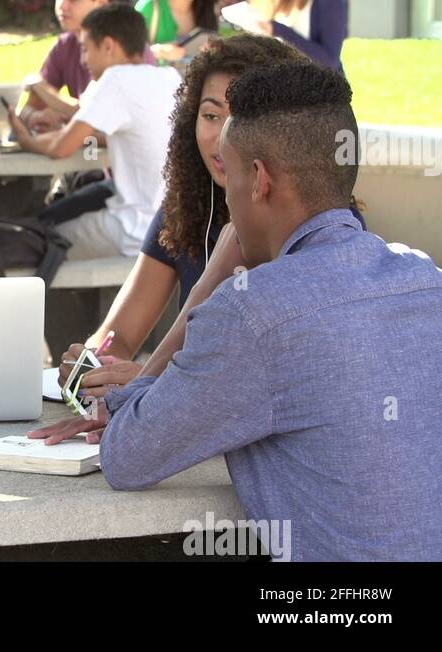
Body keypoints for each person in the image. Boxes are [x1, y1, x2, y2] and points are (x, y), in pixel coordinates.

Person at [32, 61, 442, 561]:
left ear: (259, 181)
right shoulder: (425, 279)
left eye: (229, 178)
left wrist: (213, 277)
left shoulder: (253, 311)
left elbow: (130, 456)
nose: (225, 195)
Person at [57, 35, 311, 391]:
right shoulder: (184, 209)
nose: (223, 136)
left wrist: (155, 378)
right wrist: (90, 364)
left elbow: (287, 372)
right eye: (210, 115)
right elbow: (118, 337)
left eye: (243, 117)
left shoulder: (315, 219)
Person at [8, 3, 181, 259]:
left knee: (35, 236)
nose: (83, 60)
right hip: (172, 225)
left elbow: (61, 147)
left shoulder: (116, 80)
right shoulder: (169, 77)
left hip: (134, 231)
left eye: (86, 49)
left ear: (109, 46)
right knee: (65, 209)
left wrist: (24, 139)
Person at [19, 0, 109, 134]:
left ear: (102, 3)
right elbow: (29, 107)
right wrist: (35, 117)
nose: (62, 5)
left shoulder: (116, 47)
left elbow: (93, 117)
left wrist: (40, 86)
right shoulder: (65, 45)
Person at [227, 0, 348, 73]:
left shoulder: (331, 3)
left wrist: (277, 30)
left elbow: (330, 61)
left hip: (322, 96)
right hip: (285, 86)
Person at [135, 0, 219, 64]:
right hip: (157, 83)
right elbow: (127, 55)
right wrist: (157, 52)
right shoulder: (149, 6)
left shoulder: (211, 8)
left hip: (195, 83)